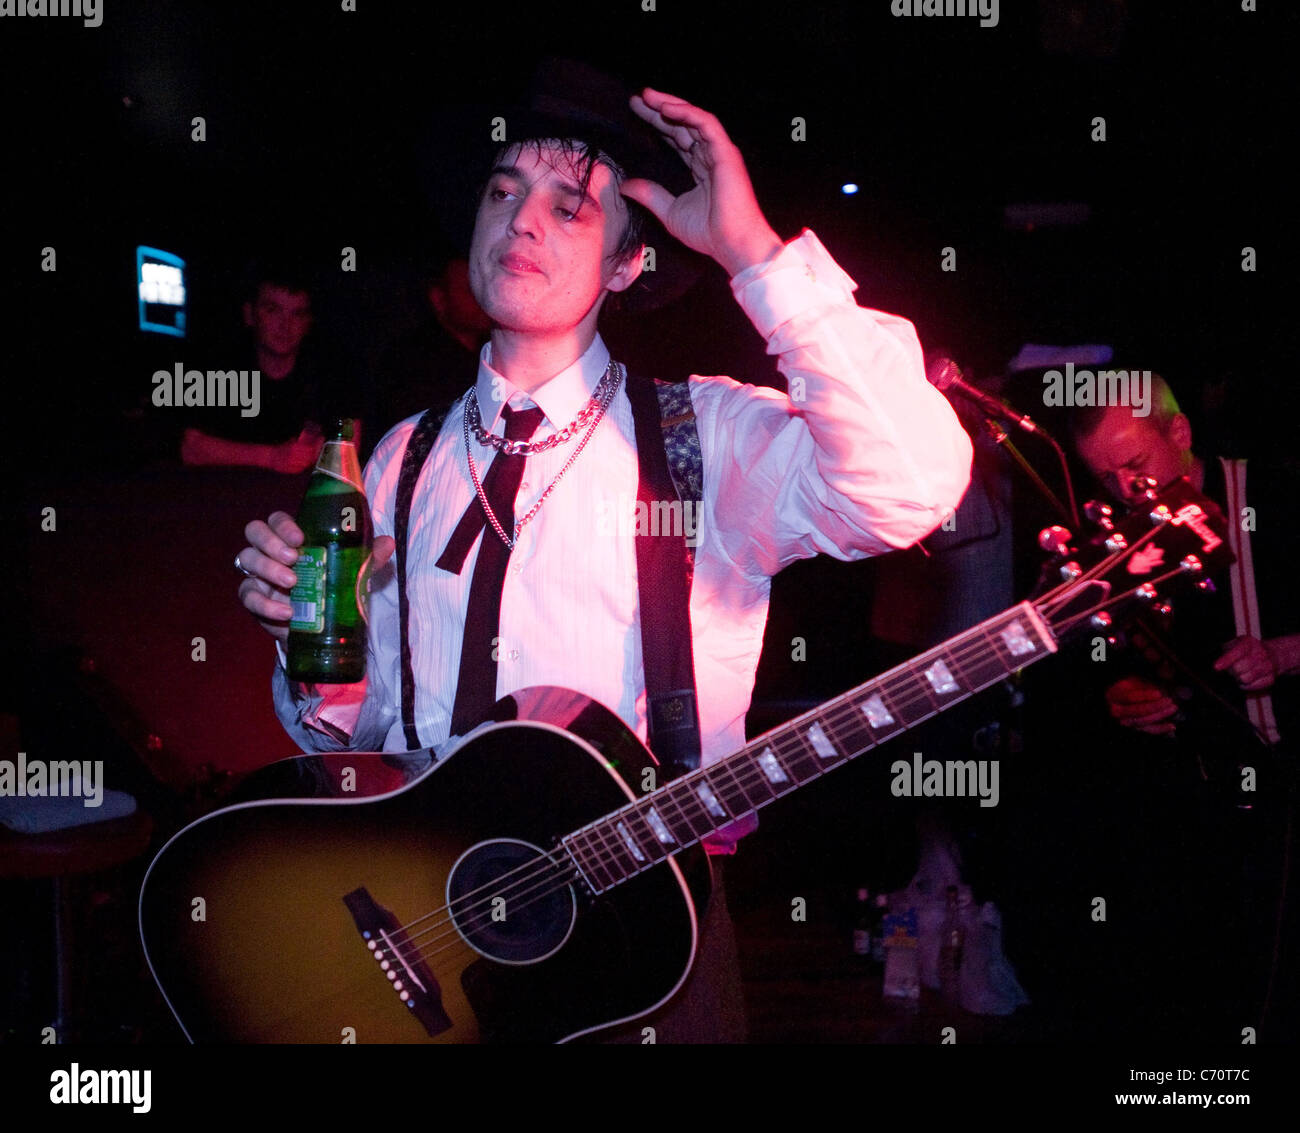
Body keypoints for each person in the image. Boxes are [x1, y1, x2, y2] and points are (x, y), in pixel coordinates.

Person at [234, 82, 973, 1041]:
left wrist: (754, 252)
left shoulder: (703, 435)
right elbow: (360, 728)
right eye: (501, 193)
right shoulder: (402, 456)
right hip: (426, 954)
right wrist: (306, 644)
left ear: (628, 263)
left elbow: (913, 482)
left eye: (568, 206)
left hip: (642, 947)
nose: (522, 220)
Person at [1070, 375, 1298, 1040]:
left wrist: (1283, 653)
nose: (1122, 490)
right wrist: (1114, 692)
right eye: (1104, 476)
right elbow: (1092, 663)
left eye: (1134, 465)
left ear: (1180, 433)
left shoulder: (1278, 495)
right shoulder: (1117, 535)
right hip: (1191, 800)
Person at [181, 268, 342, 473]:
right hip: (223, 497)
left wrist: (324, 452)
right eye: (273, 310)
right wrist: (271, 457)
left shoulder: (329, 374)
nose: (285, 325)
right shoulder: (221, 370)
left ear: (308, 323)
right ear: (250, 315)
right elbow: (191, 449)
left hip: (302, 500)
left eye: (297, 314)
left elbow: (349, 453)